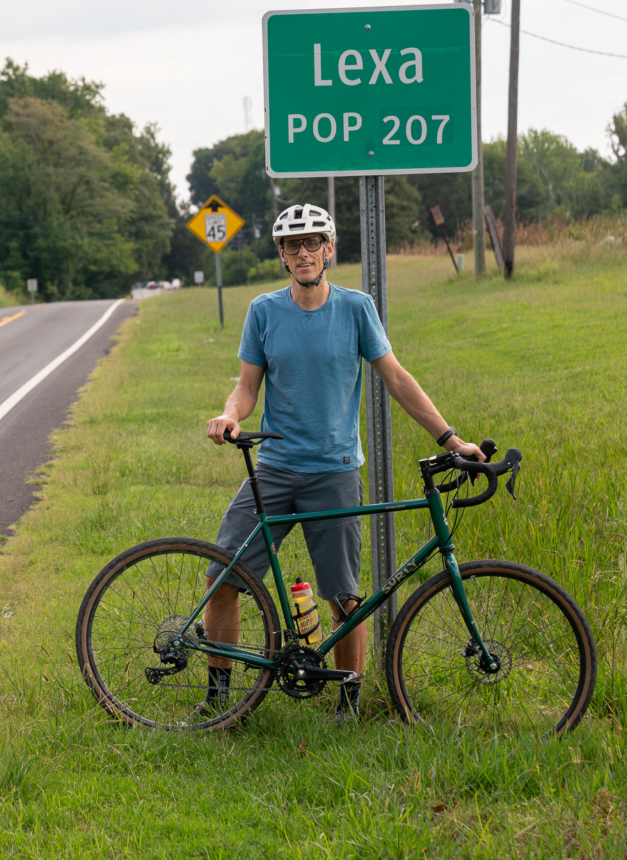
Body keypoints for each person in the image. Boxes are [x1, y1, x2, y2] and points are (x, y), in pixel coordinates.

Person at [201, 203, 485, 722]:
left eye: (313, 242)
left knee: (345, 597)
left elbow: (397, 378)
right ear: (282, 255)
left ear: (330, 249)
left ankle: (348, 703)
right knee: (223, 575)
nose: (303, 252)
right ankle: (220, 698)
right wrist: (229, 416)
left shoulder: (356, 308)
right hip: (275, 468)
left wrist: (450, 440)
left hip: (333, 472)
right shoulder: (264, 311)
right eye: (292, 245)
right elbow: (247, 386)